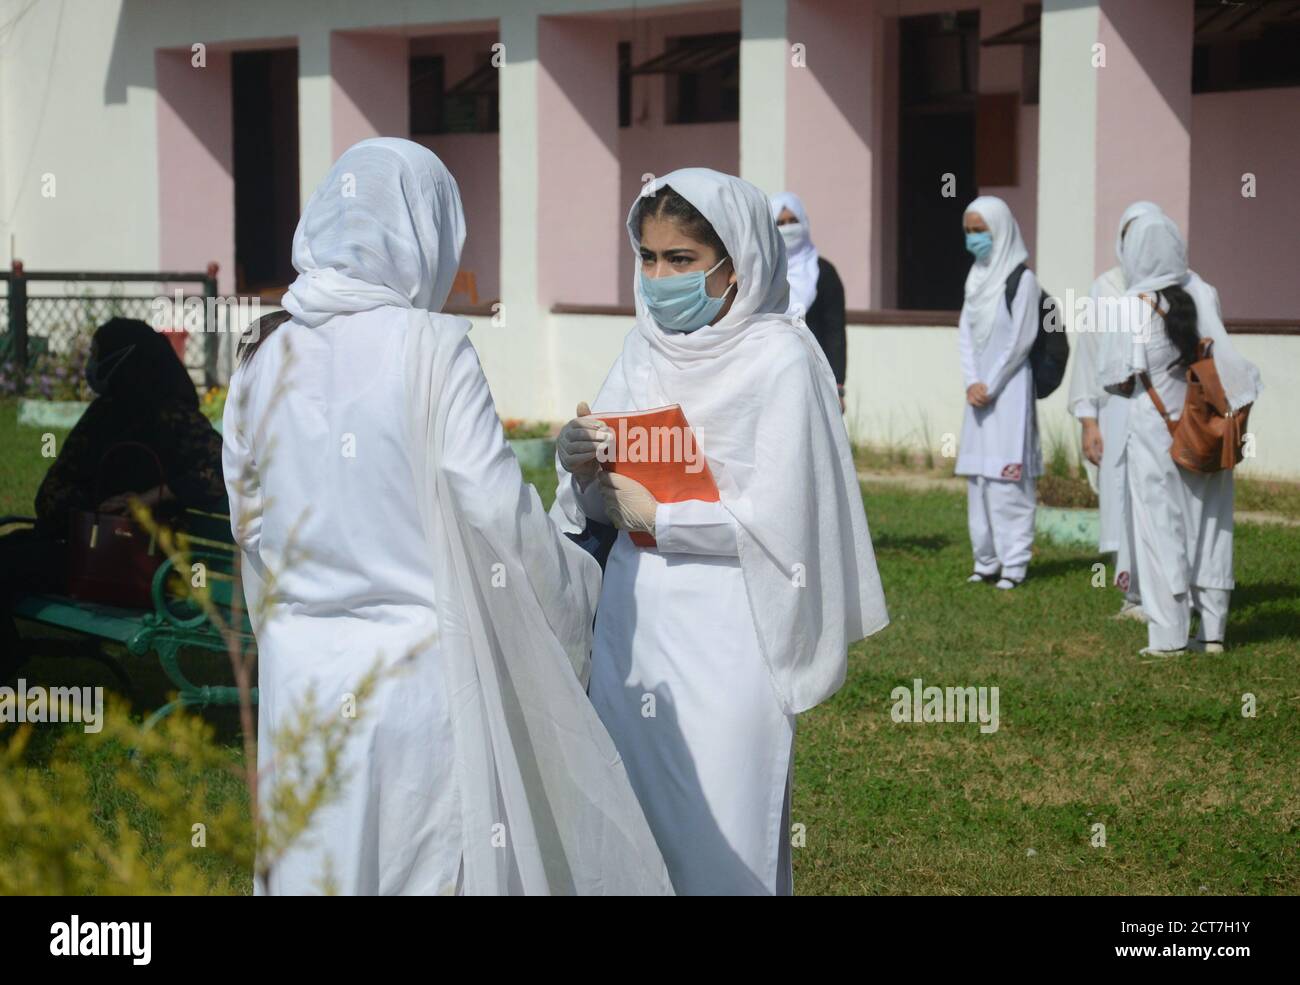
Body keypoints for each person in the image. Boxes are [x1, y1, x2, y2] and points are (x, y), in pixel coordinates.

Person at [222, 137, 671, 896]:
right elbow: (495, 510)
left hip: (302, 680)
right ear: (427, 232)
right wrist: (577, 582)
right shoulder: (429, 348)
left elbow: (252, 529)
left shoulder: (263, 356)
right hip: (416, 688)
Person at [551, 168, 889, 895]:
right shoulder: (643, 348)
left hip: (735, 625)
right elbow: (598, 493)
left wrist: (665, 517)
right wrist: (579, 465)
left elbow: (780, 522)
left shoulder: (783, 360)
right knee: (630, 829)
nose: (659, 277)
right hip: (636, 625)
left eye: (681, 260)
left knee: (723, 832)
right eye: (647, 258)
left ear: (734, 264)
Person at [1, 318, 226, 680]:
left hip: (143, 565)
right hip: (86, 551)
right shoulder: (104, 414)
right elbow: (51, 494)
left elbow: (225, 472)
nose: (91, 363)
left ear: (124, 360)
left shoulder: (174, 418)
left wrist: (151, 498)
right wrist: (93, 507)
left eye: (97, 354)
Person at [1098, 212, 1260, 655]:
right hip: (1207, 430)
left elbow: (1116, 378)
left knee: (1158, 531)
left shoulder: (1131, 305)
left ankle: (1168, 637)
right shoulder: (1203, 291)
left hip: (1155, 436)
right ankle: (1213, 634)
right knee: (1210, 526)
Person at [1068, 201, 1163, 621]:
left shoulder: (1176, 288)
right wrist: (1089, 420)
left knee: (1158, 499)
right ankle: (1134, 593)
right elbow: (1088, 357)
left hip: (1164, 417)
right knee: (1122, 498)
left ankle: (1167, 590)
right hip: (1115, 413)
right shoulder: (1105, 287)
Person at [955, 196, 1042, 590]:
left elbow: (1020, 342)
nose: (974, 239)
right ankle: (985, 561)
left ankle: (1014, 565)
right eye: (969, 231)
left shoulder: (1023, 280)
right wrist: (972, 381)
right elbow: (965, 337)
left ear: (1001, 230)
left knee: (1008, 481)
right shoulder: (974, 278)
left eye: (981, 231)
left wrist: (990, 384)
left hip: (1008, 394)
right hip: (978, 398)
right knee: (980, 482)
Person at [770, 192, 847, 411]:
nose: (788, 228)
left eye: (793, 221)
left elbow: (835, 332)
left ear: (804, 222)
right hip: (772, 374)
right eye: (780, 223)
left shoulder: (824, 272)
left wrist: (838, 386)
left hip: (817, 375)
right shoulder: (765, 274)